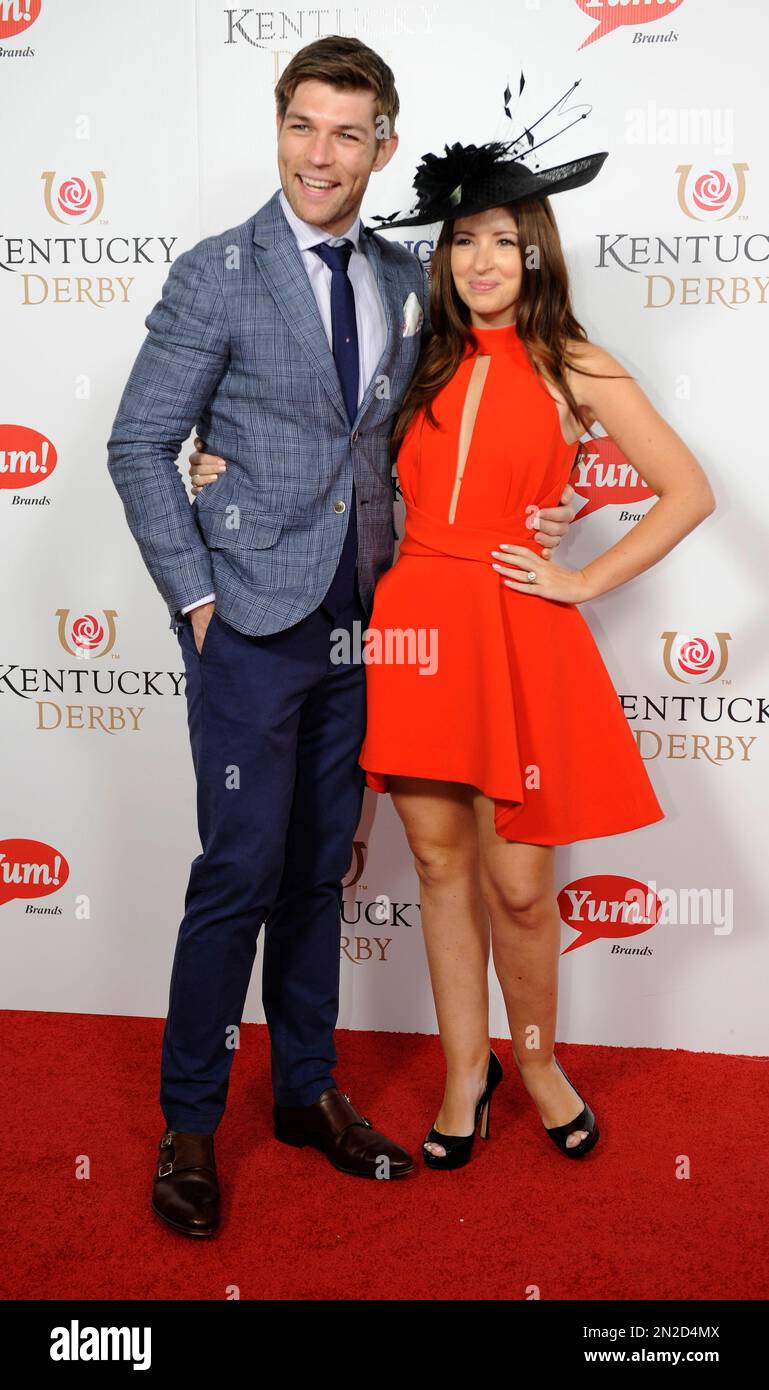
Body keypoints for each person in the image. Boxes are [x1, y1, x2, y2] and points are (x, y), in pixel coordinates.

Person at [106, 36, 579, 1236]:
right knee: (238, 873)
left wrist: (548, 496)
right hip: (251, 625)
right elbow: (137, 444)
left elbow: (439, 423)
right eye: (302, 127)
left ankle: (305, 1092)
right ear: (279, 130)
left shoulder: (399, 274)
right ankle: (190, 1123)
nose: (322, 154)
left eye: (347, 132)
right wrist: (198, 599)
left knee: (320, 869)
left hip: (370, 625)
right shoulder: (219, 270)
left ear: (384, 145)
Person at [350, 91, 715, 1167]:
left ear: (535, 251)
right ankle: (467, 1068)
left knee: (518, 883)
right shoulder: (408, 357)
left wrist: (585, 574)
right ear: (445, 254)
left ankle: (540, 1058)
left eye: (502, 241)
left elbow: (686, 491)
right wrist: (216, 467)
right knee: (434, 862)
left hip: (520, 629)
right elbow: (323, 455)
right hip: (417, 623)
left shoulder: (576, 363)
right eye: (462, 241)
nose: (480, 261)